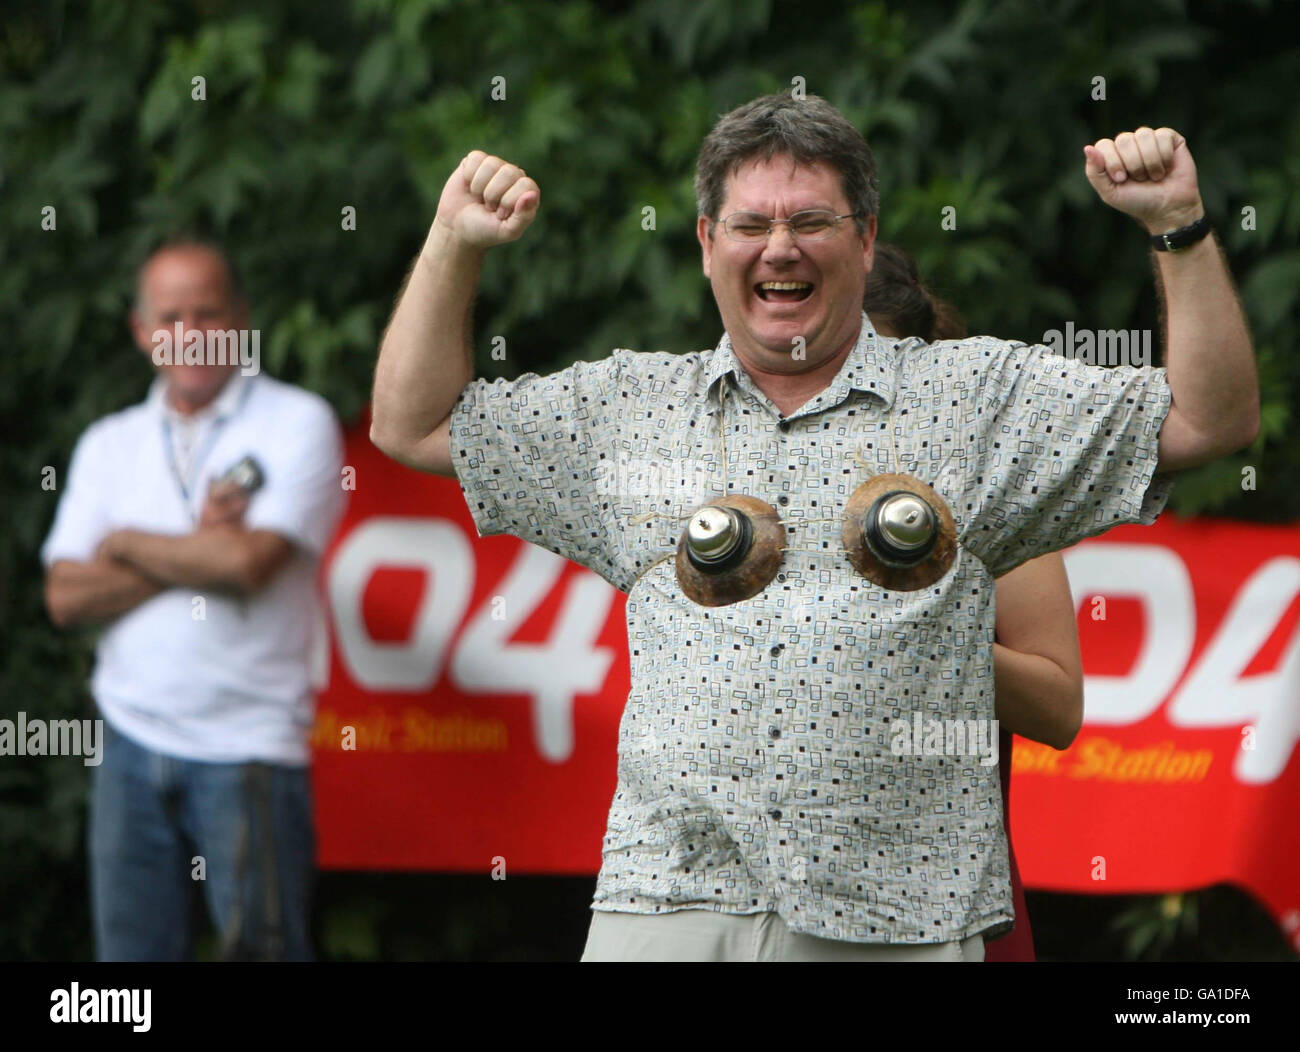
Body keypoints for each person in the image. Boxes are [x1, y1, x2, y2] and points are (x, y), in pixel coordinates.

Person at [371, 93, 1257, 962]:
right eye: (750, 224)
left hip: (899, 912)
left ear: (866, 240)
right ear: (707, 243)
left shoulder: (976, 399)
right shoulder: (625, 408)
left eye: (810, 221)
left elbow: (1207, 422)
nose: (780, 247)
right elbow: (412, 425)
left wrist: (1176, 225)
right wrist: (453, 240)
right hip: (669, 902)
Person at [42, 240, 346, 961]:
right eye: (169, 316)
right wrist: (193, 551)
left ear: (241, 318)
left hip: (249, 750)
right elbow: (63, 596)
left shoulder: (297, 421)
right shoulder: (106, 443)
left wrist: (122, 540)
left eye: (207, 312)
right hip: (128, 740)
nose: (190, 332)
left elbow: (247, 564)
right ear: (142, 331)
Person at [864, 242, 1086, 962]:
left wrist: (924, 631)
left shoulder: (985, 489)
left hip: (955, 910)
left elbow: (1057, 708)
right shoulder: (740, 495)